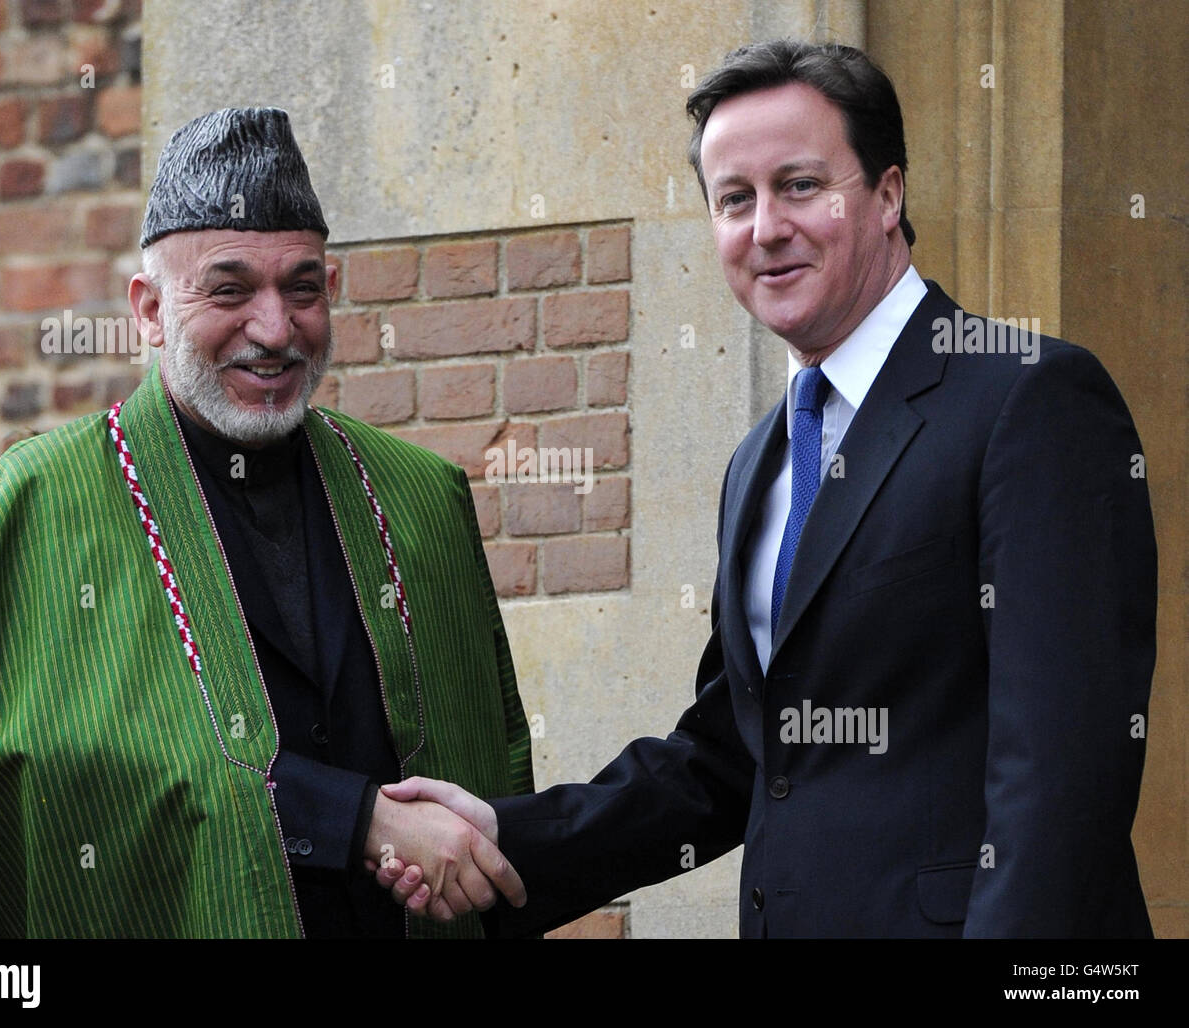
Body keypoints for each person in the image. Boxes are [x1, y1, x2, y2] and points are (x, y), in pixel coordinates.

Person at [374, 40, 1158, 938]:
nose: (765, 228)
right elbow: (731, 759)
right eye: (733, 200)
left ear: (889, 195)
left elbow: (1065, 773)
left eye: (799, 186)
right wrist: (510, 837)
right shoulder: (762, 461)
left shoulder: (1028, 397)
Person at [0, 107, 533, 939]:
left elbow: (497, 774)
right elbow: (41, 788)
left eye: (302, 288)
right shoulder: (40, 505)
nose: (274, 331)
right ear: (151, 310)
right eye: (229, 289)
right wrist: (355, 821)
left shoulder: (422, 501)